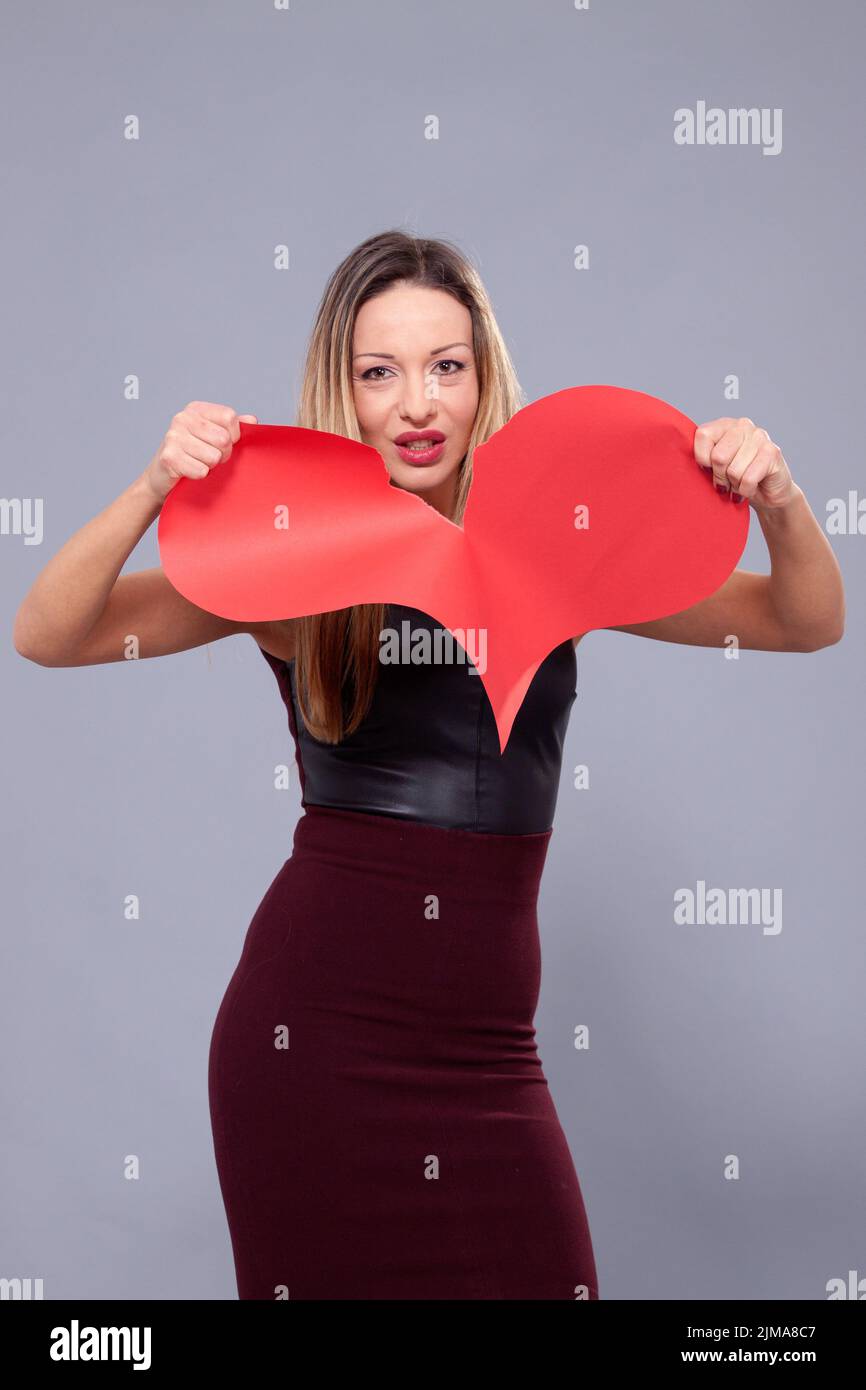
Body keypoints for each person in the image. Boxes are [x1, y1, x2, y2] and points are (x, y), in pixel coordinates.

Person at [13, 230, 845, 1300]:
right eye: (378, 372)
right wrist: (152, 483)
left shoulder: (559, 544)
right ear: (341, 389)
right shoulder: (297, 563)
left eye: (446, 366)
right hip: (311, 1050)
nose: (416, 403)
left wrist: (774, 494)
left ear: (482, 377)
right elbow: (49, 630)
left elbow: (802, 620)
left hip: (491, 1057)